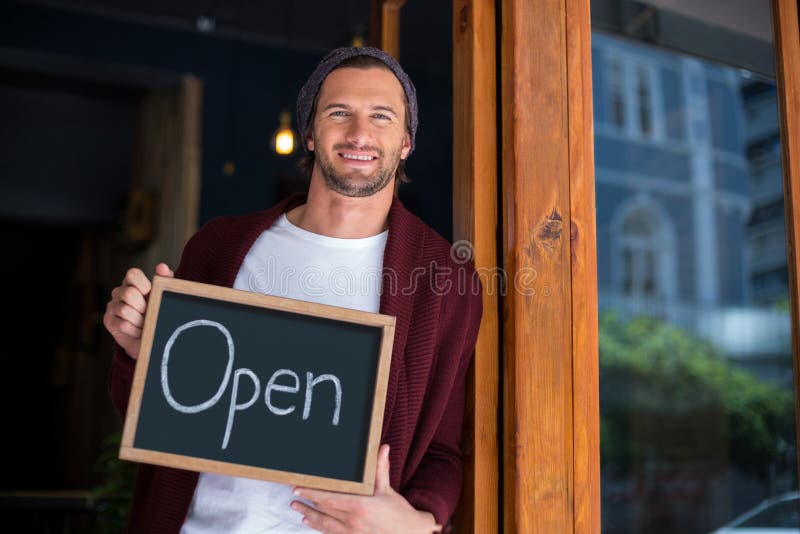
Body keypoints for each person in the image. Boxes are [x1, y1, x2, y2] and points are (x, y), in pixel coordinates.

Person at [103, 46, 482, 534]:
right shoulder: (220, 247)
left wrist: (418, 523)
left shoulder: (443, 281)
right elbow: (163, 410)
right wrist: (140, 350)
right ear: (309, 131)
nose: (359, 134)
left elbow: (443, 451)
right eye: (339, 113)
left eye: (382, 117)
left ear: (406, 141)